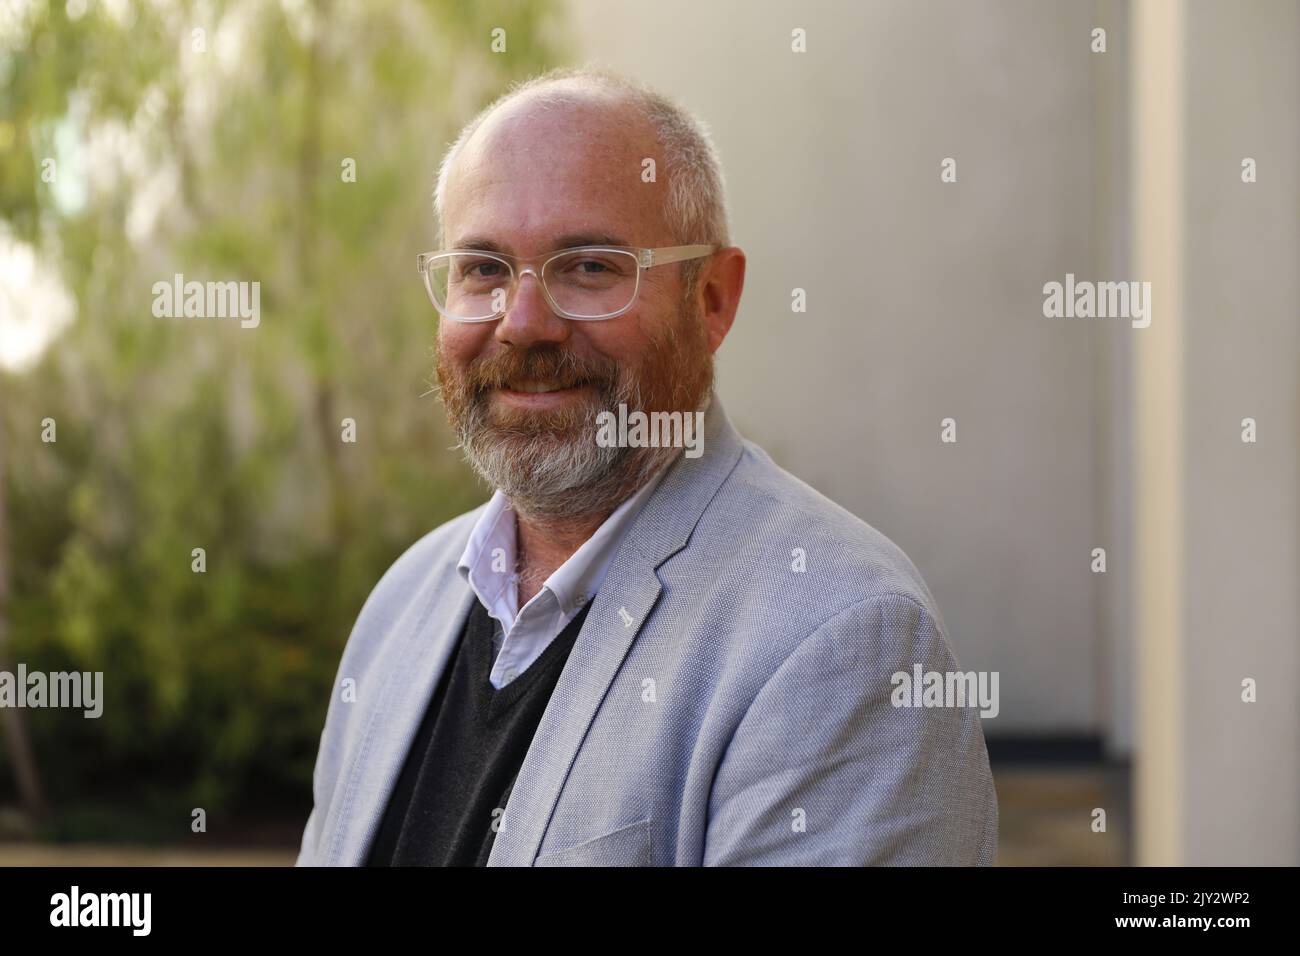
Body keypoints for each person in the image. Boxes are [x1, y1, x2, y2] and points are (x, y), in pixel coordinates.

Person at [296, 66, 997, 866]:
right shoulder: (402, 607)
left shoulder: (843, 639)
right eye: (484, 269)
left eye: (590, 267)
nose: (525, 325)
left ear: (713, 300)